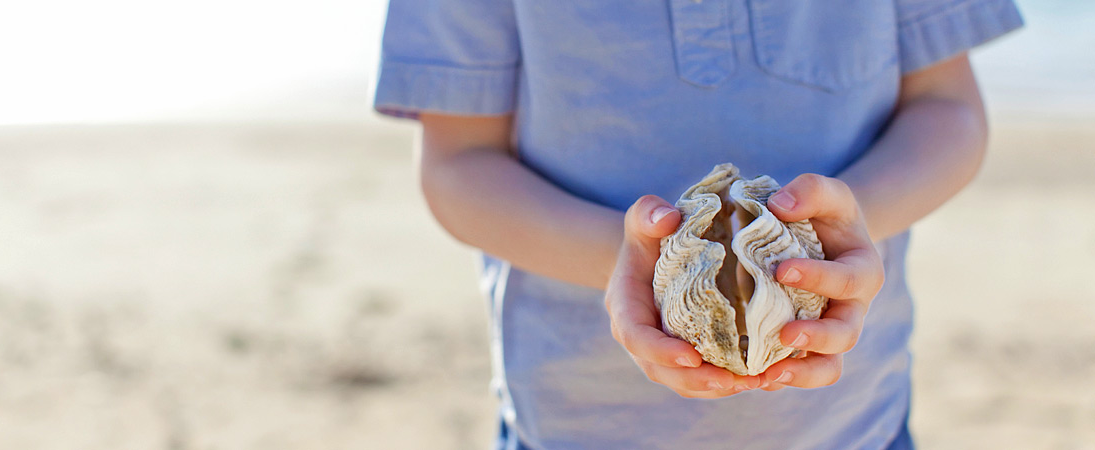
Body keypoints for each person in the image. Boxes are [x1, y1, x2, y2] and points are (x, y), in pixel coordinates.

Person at [372, 0, 1023, 448]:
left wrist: (839, 234)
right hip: (576, 422)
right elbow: (458, 164)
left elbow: (947, 107)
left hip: (854, 423)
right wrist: (638, 265)